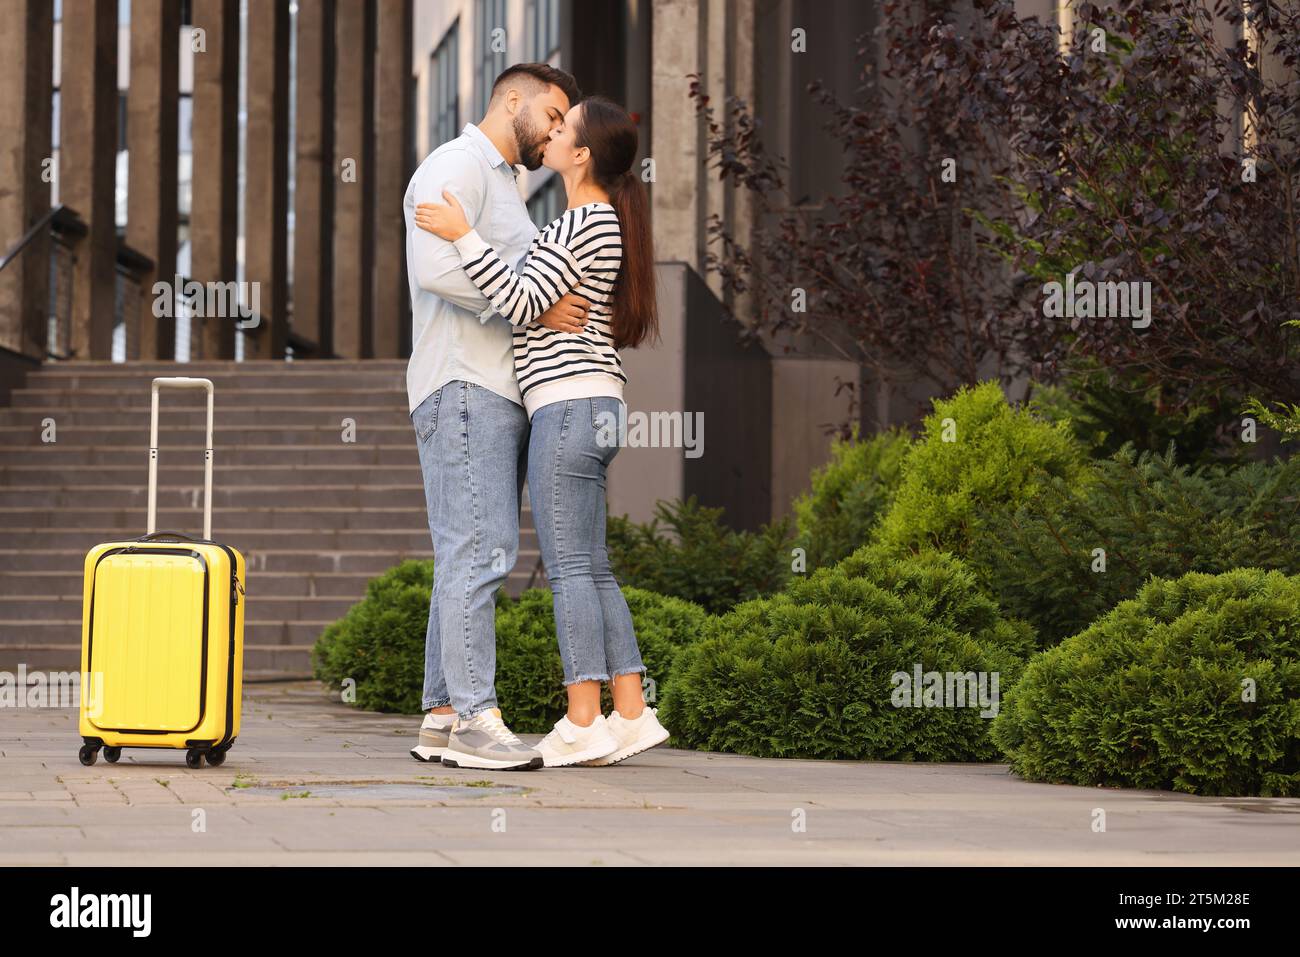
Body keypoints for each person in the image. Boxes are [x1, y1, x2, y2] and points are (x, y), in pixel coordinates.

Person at [414, 95, 670, 768]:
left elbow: (523, 302)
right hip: (590, 404)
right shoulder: (591, 219)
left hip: (567, 405)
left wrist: (463, 232)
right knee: (594, 566)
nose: (552, 133)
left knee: (571, 570)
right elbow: (537, 300)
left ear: (580, 154)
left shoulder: (586, 221)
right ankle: (633, 712)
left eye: (564, 127)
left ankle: (583, 720)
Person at [404, 63, 589, 771]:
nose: (556, 129)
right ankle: (479, 719)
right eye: (551, 113)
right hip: (464, 383)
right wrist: (531, 302)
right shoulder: (457, 164)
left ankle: (443, 711)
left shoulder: (507, 184)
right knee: (479, 552)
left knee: (465, 549)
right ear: (513, 99)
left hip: (488, 388)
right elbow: (438, 270)